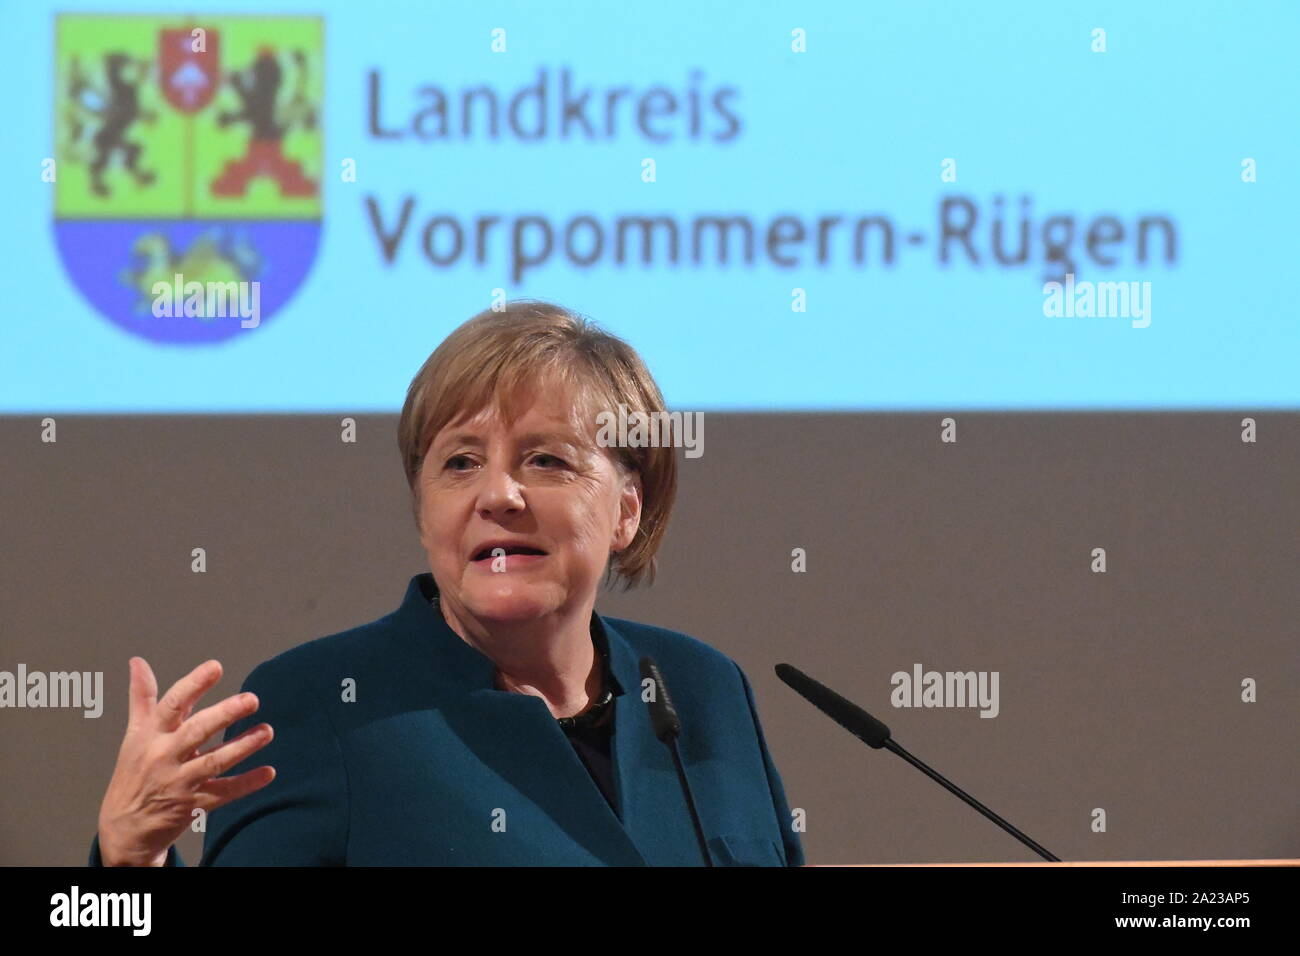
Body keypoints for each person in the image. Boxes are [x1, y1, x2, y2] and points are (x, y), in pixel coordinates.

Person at [91, 300, 803, 866]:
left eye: (546, 460)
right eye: (460, 463)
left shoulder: (701, 690)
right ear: (424, 508)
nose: (498, 494)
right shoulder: (321, 706)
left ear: (625, 510)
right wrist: (128, 863)